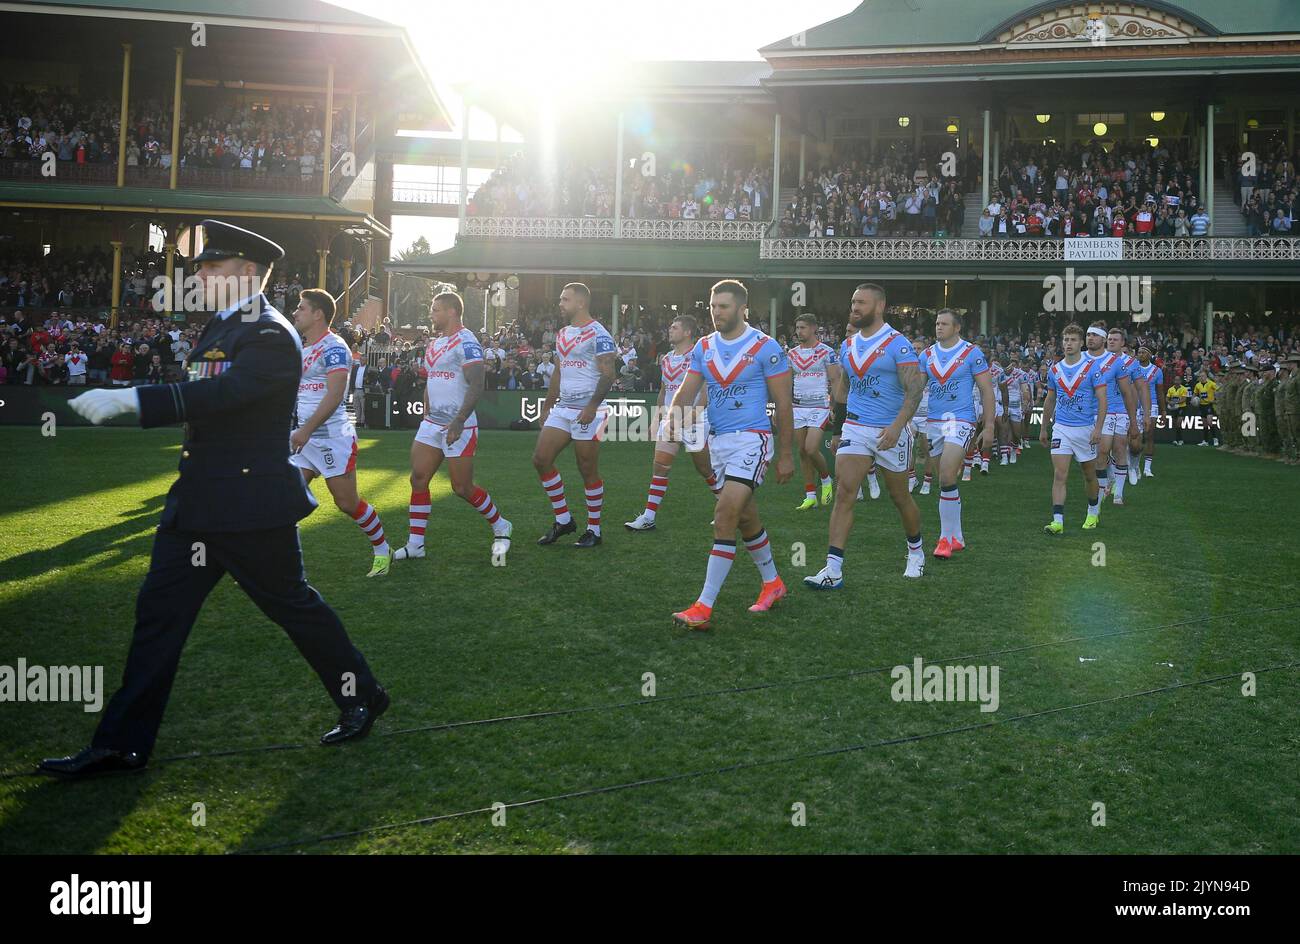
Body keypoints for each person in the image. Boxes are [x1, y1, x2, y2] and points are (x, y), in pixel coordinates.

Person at [41, 219, 387, 780]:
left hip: (249, 508)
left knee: (293, 608)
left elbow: (224, 393)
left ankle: (362, 694)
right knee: (159, 619)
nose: (198, 275)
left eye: (212, 267)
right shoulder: (225, 327)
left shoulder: (270, 333)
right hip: (198, 503)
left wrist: (135, 400)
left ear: (247, 273)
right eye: (201, 266)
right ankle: (120, 745)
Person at [666, 279, 793, 629]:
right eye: (712, 306)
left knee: (724, 516)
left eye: (723, 306)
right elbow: (686, 390)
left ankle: (703, 607)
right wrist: (673, 420)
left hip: (752, 440)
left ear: (742, 309)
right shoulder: (704, 347)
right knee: (746, 518)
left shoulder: (766, 347)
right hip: (718, 441)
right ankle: (773, 583)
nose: (716, 312)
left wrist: (785, 454)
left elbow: (783, 404)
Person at [805, 282, 927, 586]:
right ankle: (833, 570)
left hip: (890, 429)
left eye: (861, 302)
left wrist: (898, 426)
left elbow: (914, 389)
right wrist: (837, 428)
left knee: (899, 497)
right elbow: (844, 387)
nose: (855, 307)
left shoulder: (898, 344)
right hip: (855, 428)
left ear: (879, 306)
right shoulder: (847, 346)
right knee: (844, 493)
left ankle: (916, 552)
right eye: (853, 302)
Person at [393, 291, 513, 563]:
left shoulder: (467, 341)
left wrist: (459, 420)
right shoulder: (435, 344)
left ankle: (500, 524)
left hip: (459, 425)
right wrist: (426, 411)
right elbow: (432, 380)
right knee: (418, 478)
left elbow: (477, 382)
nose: (431, 315)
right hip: (432, 424)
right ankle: (415, 545)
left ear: (451, 312)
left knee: (462, 487)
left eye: (435, 310)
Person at [288, 288, 391, 577]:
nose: (295, 312)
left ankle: (383, 550)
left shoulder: (335, 347)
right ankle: (279, 564)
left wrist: (305, 430)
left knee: (347, 503)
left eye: (301, 308)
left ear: (318, 314)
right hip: (303, 440)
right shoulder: (302, 347)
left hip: (332, 440)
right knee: (284, 498)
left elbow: (334, 396)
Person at [532, 282, 617, 548]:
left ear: (580, 303)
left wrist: (592, 406)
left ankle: (594, 530)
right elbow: (558, 371)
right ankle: (564, 520)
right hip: (563, 408)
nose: (560, 303)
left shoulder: (599, 333)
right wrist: (547, 406)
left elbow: (608, 374)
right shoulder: (563, 333)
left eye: (565, 299)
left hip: (589, 409)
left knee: (587, 468)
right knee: (541, 459)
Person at [625, 314, 718, 532]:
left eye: (674, 327)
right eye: (670, 326)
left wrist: (694, 415)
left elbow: (706, 389)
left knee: (705, 469)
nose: (670, 330)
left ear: (687, 332)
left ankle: (726, 504)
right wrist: (656, 418)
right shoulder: (666, 358)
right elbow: (664, 390)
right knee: (660, 467)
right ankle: (648, 517)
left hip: (694, 419)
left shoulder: (700, 354)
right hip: (671, 419)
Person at [915, 308, 994, 560]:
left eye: (944, 324)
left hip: (960, 419)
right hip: (934, 422)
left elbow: (986, 391)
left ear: (957, 328)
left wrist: (989, 426)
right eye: (937, 323)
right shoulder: (926, 355)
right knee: (945, 481)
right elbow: (916, 390)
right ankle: (957, 537)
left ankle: (944, 540)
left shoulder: (972, 353)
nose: (938, 327)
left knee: (947, 475)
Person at [1041, 323, 1107, 534]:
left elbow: (1102, 400)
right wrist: (1044, 428)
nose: (1068, 344)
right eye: (1065, 340)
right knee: (1060, 475)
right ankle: (1058, 521)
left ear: (1080, 343)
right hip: (1061, 428)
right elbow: (1050, 400)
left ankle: (1093, 512)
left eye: (1073, 340)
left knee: (1089, 475)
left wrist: (1098, 429)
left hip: (1085, 429)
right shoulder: (1055, 369)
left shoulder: (1092, 368)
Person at [787, 313, 840, 510]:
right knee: (802, 451)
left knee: (811, 448)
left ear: (813, 329)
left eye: (802, 327)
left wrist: (834, 406)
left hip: (819, 405)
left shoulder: (827, 352)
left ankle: (826, 480)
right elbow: (786, 382)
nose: (799, 331)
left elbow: (835, 380)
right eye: (797, 327)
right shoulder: (792, 354)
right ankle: (810, 495)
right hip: (798, 406)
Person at [1088, 324, 1141, 507]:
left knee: (1119, 448)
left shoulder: (1126, 363)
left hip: (1119, 411)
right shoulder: (1089, 359)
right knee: (1102, 451)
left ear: (1122, 343)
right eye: (1109, 339)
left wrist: (1137, 416)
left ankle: (1118, 493)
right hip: (1098, 411)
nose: (1111, 341)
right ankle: (1107, 482)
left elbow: (1132, 390)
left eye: (1115, 339)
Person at [1134, 342, 1165, 477]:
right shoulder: (1132, 368)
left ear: (1150, 355)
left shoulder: (1157, 371)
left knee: (1150, 435)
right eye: (1139, 352)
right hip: (1135, 405)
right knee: (1136, 437)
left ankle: (1147, 468)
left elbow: (1160, 392)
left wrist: (1163, 411)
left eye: (1143, 352)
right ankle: (1135, 466)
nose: (1140, 355)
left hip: (1151, 406)